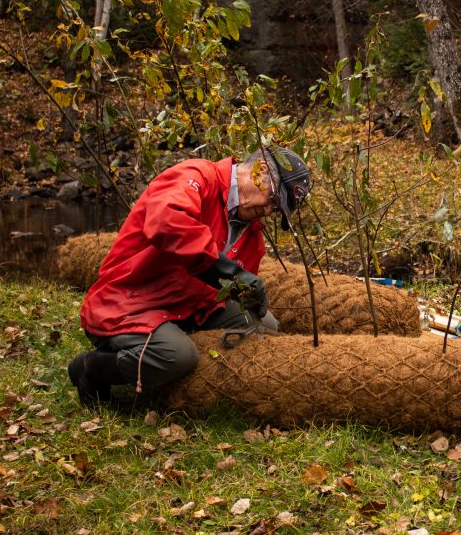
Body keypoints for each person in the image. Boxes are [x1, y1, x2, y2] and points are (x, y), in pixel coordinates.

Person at [67, 145, 310, 409]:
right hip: (131, 301)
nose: (268, 211)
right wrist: (230, 272)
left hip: (189, 308)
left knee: (266, 325)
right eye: (273, 200)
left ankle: (170, 359)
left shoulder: (251, 237)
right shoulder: (197, 176)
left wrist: (248, 296)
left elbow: (234, 287)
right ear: (260, 171)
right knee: (177, 356)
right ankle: (90, 368)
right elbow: (167, 222)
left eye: (276, 209)